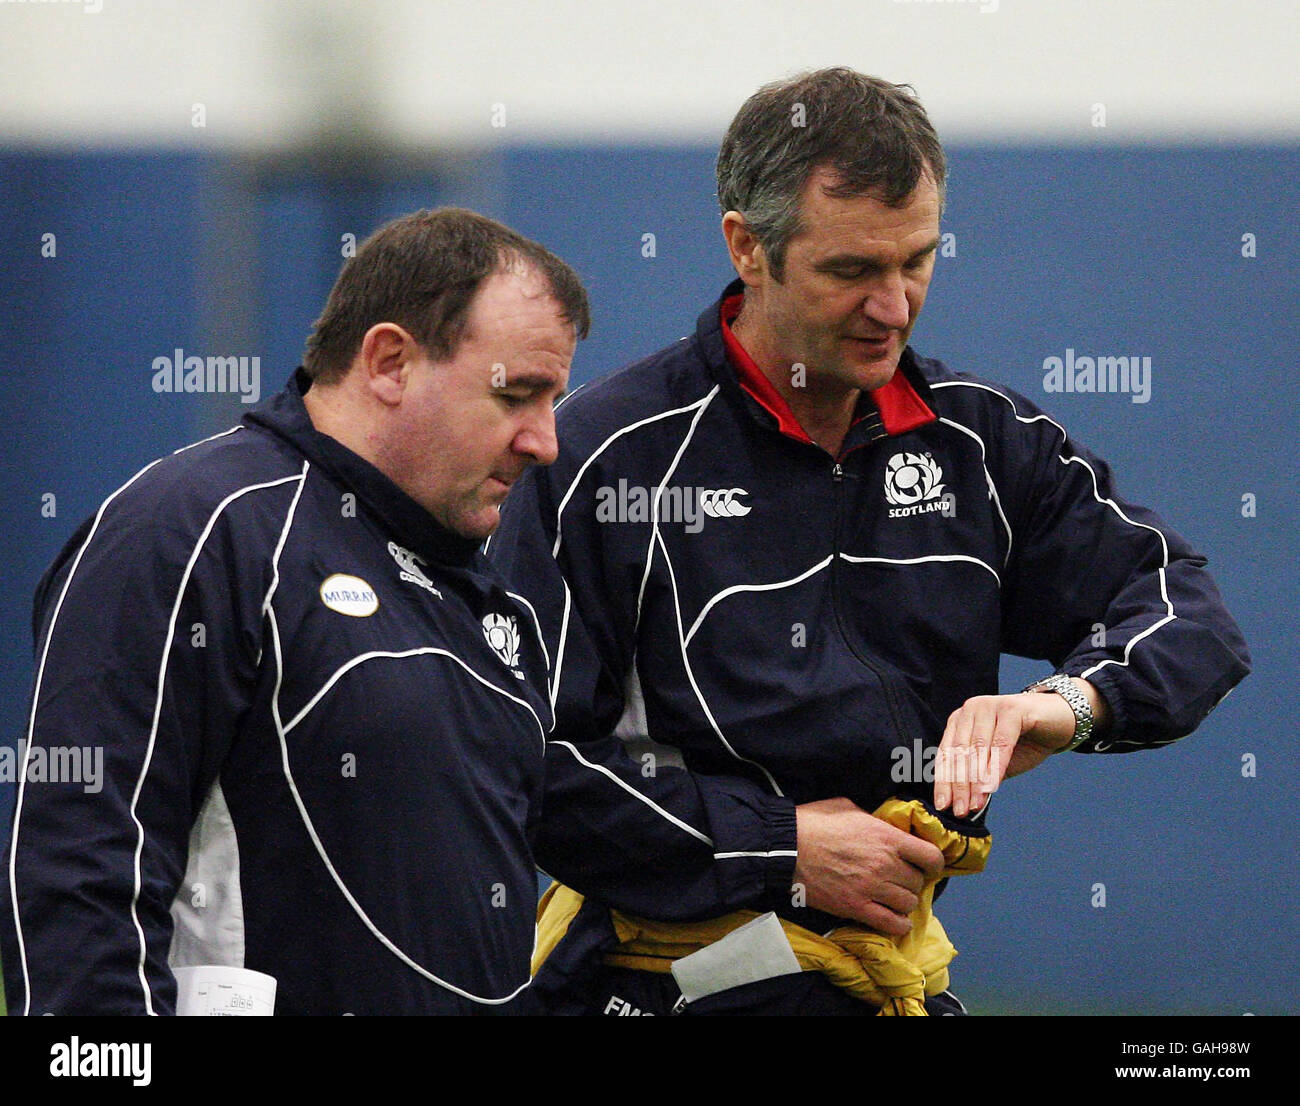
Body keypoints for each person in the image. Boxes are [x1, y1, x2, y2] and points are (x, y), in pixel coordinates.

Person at [487, 69, 1251, 1015]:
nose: (894, 307)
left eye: (918, 261)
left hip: (892, 983)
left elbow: (1186, 607)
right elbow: (514, 760)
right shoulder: (604, 460)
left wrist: (1059, 706)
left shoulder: (981, 442)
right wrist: (781, 847)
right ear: (747, 248)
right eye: (852, 270)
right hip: (658, 987)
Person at [1, 207, 588, 1015]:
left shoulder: (487, 598)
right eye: (518, 395)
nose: (545, 442)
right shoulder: (191, 530)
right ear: (389, 362)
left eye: (554, 400)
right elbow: (78, 875)